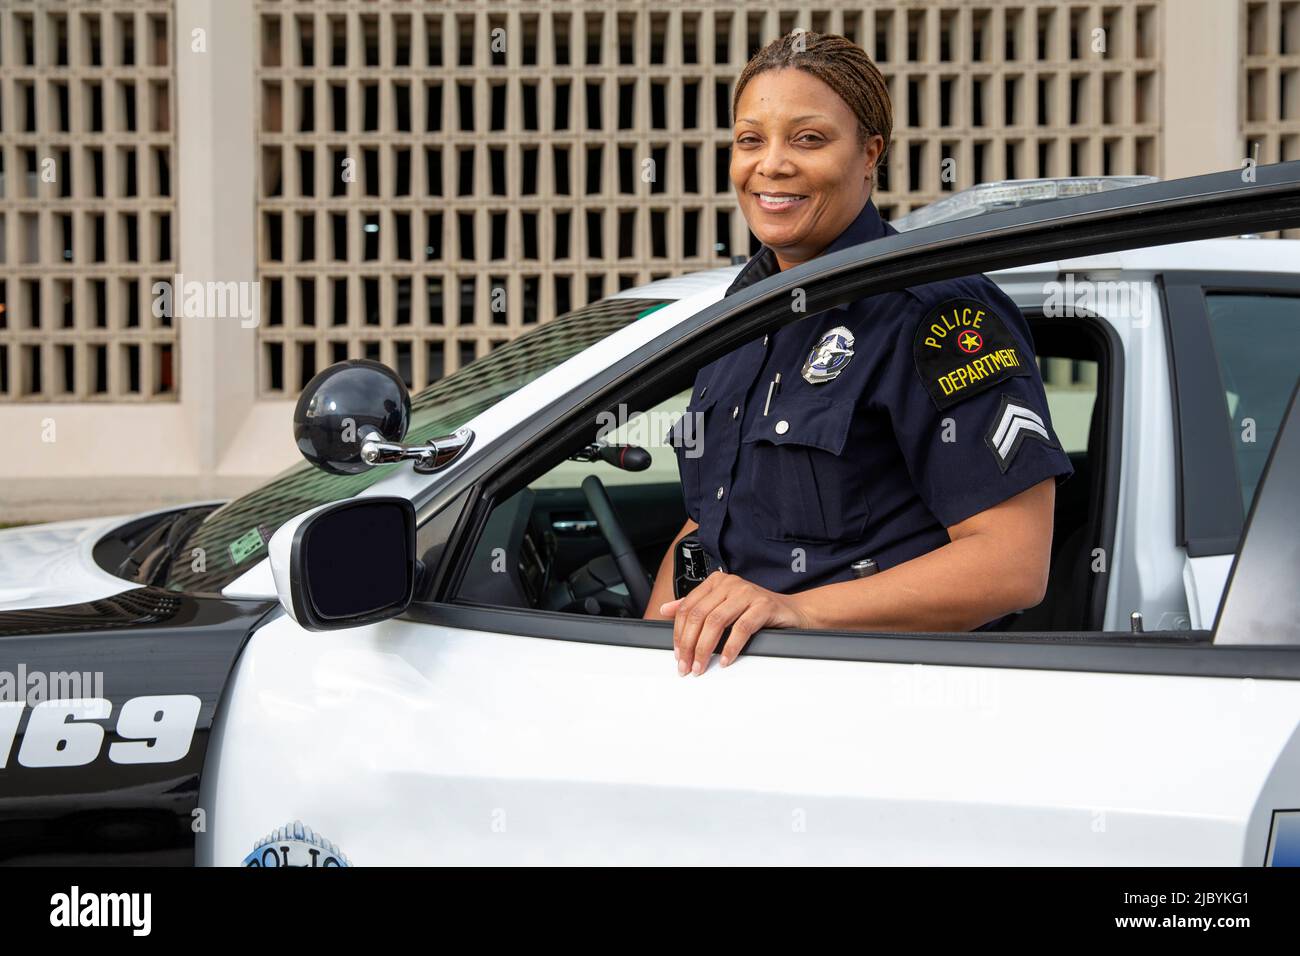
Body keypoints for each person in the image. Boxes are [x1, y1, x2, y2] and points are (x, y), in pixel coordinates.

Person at [643, 32, 1074, 675]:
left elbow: (1011, 565)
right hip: (735, 691)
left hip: (868, 693)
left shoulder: (939, 313)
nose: (772, 164)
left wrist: (799, 611)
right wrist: (649, 646)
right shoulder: (740, 308)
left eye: (809, 139)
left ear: (870, 153)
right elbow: (711, 520)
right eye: (750, 139)